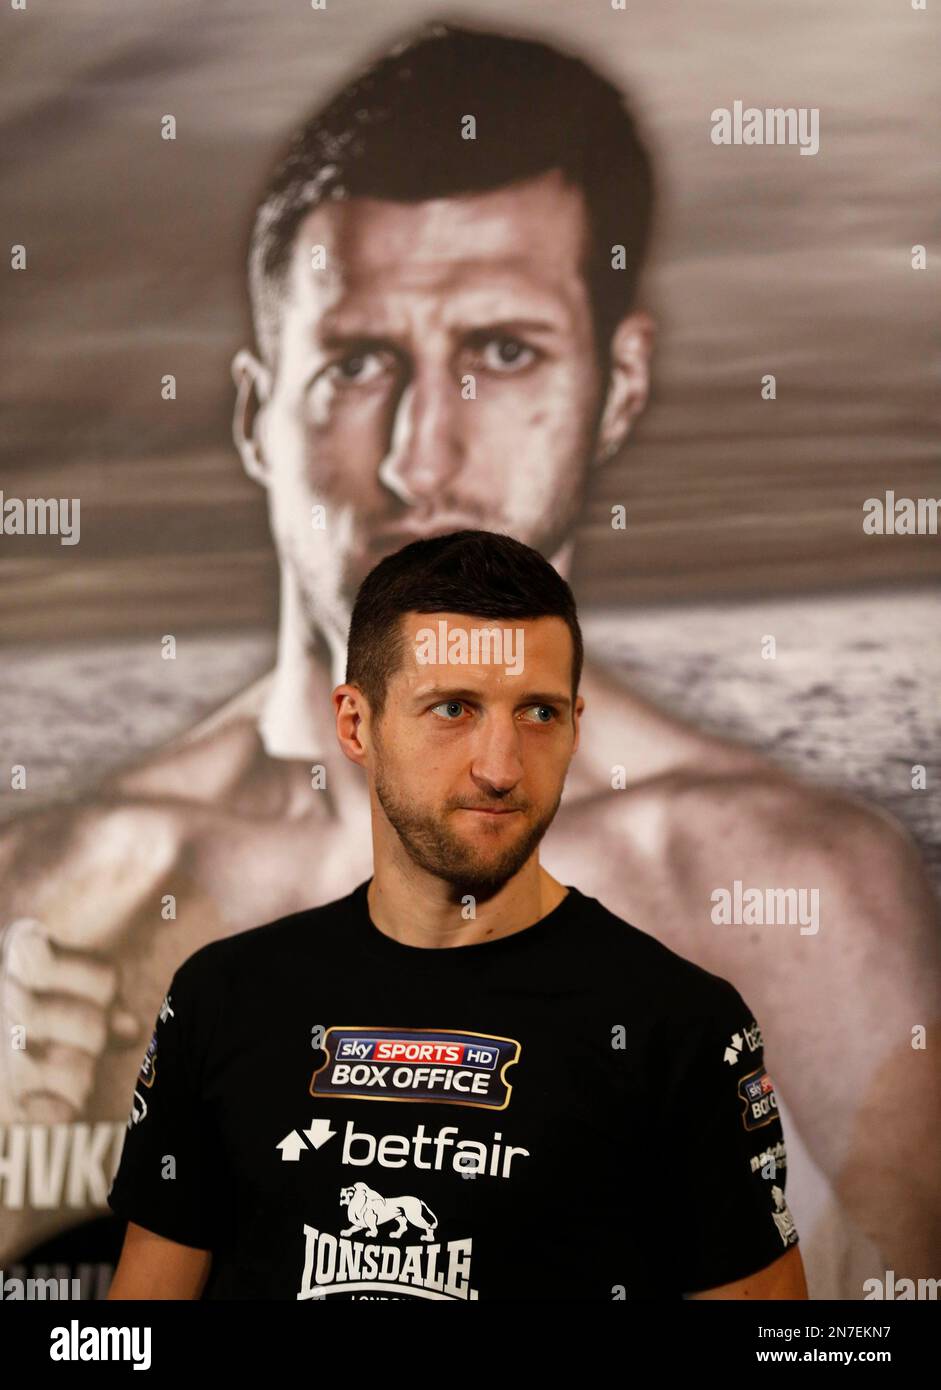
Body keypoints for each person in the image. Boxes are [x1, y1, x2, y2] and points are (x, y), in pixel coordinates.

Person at [1, 23, 937, 1295]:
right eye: (358, 362)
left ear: (618, 385)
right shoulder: (54, 905)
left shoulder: (796, 895)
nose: (417, 458)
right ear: (251, 415)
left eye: (501, 352)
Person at [106, 529, 808, 1300]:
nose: (500, 768)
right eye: (453, 709)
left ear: (576, 726)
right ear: (353, 725)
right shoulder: (224, 997)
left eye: (537, 713)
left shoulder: (679, 1025)